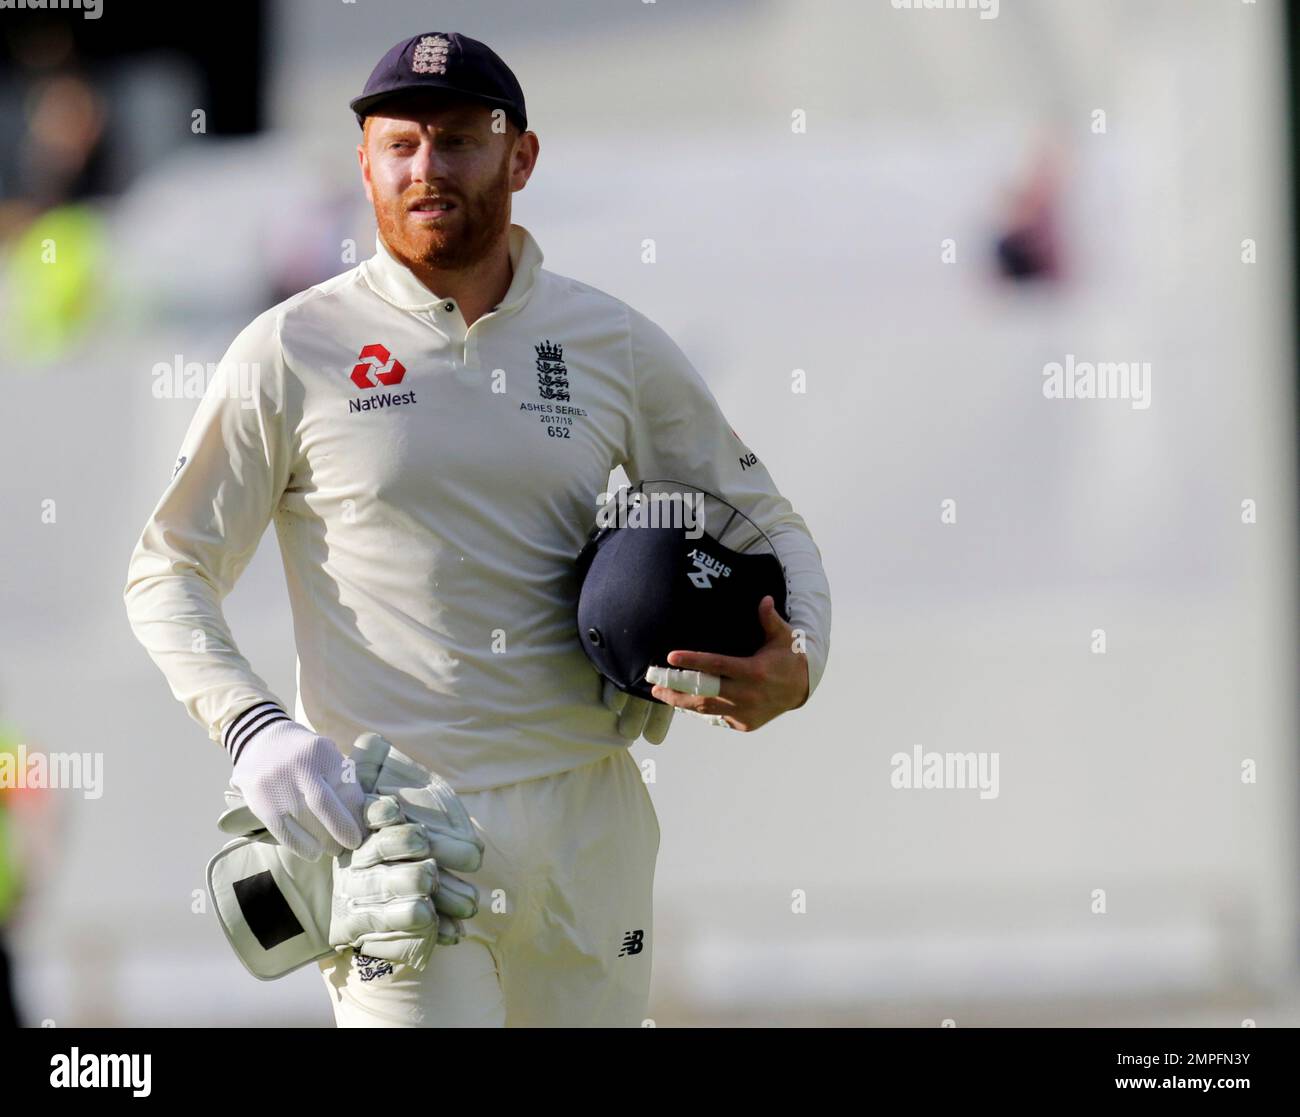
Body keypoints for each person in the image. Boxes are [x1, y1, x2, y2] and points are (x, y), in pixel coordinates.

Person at [123, 31, 831, 1027]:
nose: (428, 169)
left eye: (460, 141)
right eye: (401, 144)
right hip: (402, 835)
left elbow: (768, 522)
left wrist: (798, 657)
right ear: (364, 161)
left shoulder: (609, 341)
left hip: (591, 822)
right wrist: (251, 728)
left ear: (521, 158)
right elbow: (167, 571)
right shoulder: (293, 349)